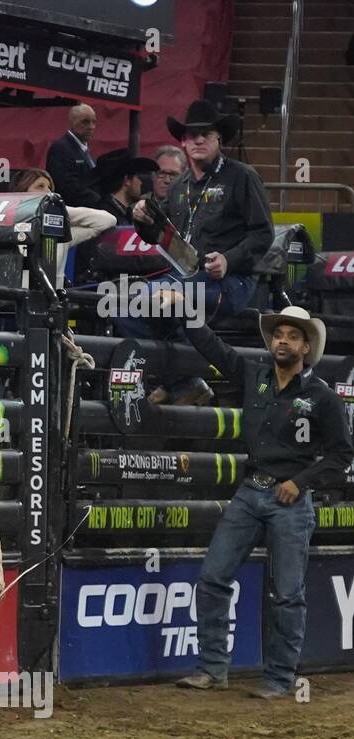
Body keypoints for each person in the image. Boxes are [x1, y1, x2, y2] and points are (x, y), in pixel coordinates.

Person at [174, 307, 352, 698]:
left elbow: (342, 454)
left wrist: (301, 482)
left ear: (306, 346)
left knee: (287, 593)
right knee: (213, 576)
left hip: (290, 500)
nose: (282, 340)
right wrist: (185, 312)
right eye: (278, 334)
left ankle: (278, 678)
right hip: (251, 491)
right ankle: (212, 668)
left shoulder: (322, 397)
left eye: (292, 335)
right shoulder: (255, 374)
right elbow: (215, 350)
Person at [130, 99, 275, 405]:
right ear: (182, 141)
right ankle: (184, 382)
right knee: (124, 303)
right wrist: (140, 217)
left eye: (205, 134)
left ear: (218, 139)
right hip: (187, 276)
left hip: (233, 282)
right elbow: (159, 233)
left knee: (160, 299)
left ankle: (183, 382)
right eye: (190, 134)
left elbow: (264, 234)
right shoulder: (180, 184)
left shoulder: (242, 176)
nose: (197, 139)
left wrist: (228, 259)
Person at [11, 168, 116, 287]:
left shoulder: (60, 235)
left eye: (49, 187)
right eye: (40, 186)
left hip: (50, 301)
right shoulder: (3, 230)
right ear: (22, 192)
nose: (49, 192)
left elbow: (107, 220)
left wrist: (59, 212)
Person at [45, 104, 101, 208]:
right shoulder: (61, 149)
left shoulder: (84, 151)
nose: (91, 127)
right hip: (73, 211)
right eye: (85, 122)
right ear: (72, 122)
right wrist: (100, 202)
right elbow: (67, 187)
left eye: (94, 122)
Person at [91, 148, 158, 226]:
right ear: (127, 181)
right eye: (137, 177)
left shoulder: (124, 213)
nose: (140, 182)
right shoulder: (109, 218)